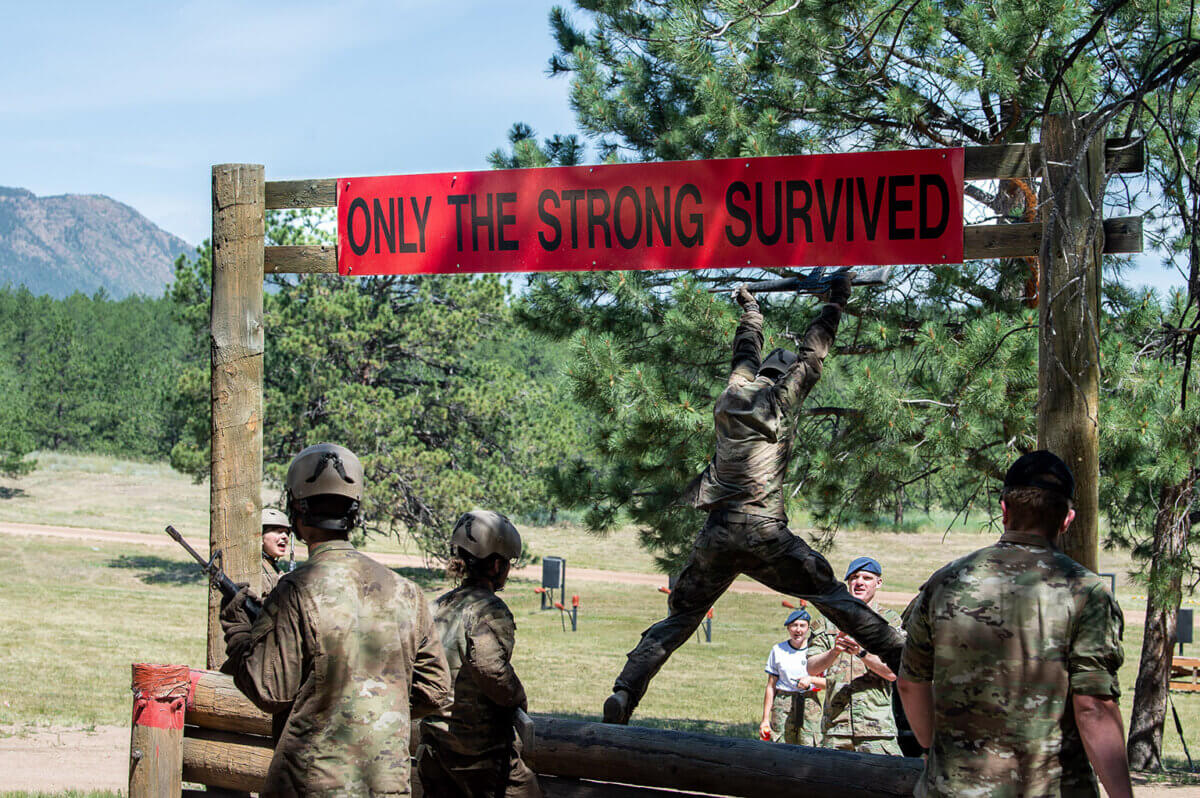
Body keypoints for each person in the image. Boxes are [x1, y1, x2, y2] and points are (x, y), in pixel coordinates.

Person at [603, 277, 905, 724]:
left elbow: (743, 352)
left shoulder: (731, 395)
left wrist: (751, 311)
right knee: (829, 594)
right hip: (763, 530)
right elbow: (814, 353)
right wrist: (835, 302)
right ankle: (901, 653)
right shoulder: (781, 400)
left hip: (718, 532)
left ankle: (626, 691)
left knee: (680, 618)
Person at [220, 443, 452, 796]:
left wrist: (239, 631)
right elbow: (436, 689)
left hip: (311, 784)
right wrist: (375, 710)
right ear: (355, 512)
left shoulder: (296, 589)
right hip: (388, 785)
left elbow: (270, 689)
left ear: (296, 510)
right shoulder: (408, 592)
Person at [897, 450, 1132, 798]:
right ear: (1067, 519)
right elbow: (1093, 707)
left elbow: (910, 684)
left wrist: (938, 755)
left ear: (1004, 511)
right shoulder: (1087, 593)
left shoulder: (945, 582)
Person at [418, 510, 542, 798]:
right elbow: (490, 670)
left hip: (434, 747)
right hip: (478, 753)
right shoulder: (489, 609)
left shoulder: (437, 606)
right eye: (508, 563)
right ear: (497, 565)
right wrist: (518, 698)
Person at [807, 556, 903, 754]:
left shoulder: (889, 622)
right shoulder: (827, 622)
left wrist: (861, 653)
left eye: (867, 578)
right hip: (836, 728)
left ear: (879, 582)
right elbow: (811, 668)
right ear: (848, 583)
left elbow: (894, 673)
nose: (860, 582)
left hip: (876, 729)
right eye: (854, 578)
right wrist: (835, 651)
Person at [760, 608, 826, 745]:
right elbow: (771, 686)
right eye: (794, 625)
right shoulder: (778, 650)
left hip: (809, 703)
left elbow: (828, 683)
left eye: (802, 626)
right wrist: (765, 719)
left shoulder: (817, 651)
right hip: (783, 703)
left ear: (808, 628)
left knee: (810, 747)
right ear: (788, 628)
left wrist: (811, 680)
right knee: (781, 745)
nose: (798, 630)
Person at [260, 507, 290, 594]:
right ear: (260, 536)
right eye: (278, 532)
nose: (285, 537)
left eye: (286, 533)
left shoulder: (273, 567)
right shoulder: (254, 570)